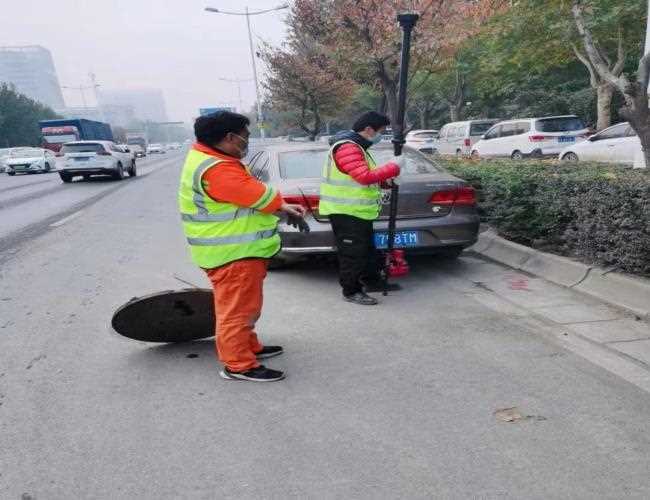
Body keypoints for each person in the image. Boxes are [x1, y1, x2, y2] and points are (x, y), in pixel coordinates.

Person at [178, 111, 305, 382]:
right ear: (229, 137)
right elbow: (256, 194)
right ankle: (238, 364)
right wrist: (281, 205)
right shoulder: (218, 168)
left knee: (245, 307)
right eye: (245, 137)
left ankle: (249, 346)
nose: (247, 142)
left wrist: (281, 206)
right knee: (237, 311)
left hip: (233, 253)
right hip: (233, 254)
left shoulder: (211, 157)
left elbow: (252, 193)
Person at [319, 111, 402, 306]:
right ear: (368, 129)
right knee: (352, 254)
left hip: (356, 212)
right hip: (346, 212)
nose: (381, 135)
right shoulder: (348, 147)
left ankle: (369, 279)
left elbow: (365, 179)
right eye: (380, 131)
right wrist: (393, 167)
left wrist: (385, 181)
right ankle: (351, 291)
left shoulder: (357, 146)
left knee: (365, 250)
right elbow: (363, 176)